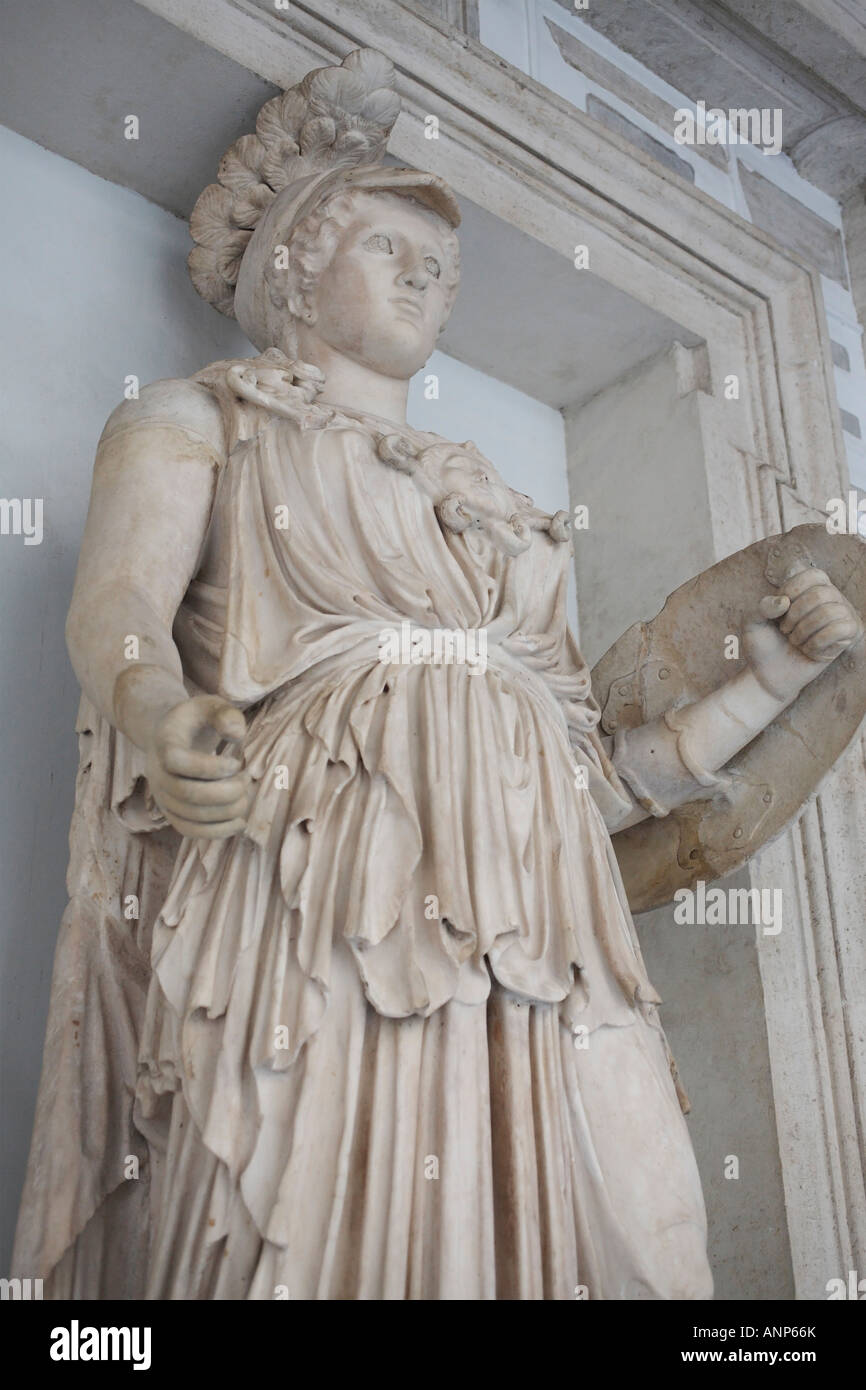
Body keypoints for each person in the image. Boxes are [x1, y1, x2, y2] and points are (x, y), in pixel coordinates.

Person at [13, 50, 861, 1300]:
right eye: (390, 248)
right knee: (348, 1237)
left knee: (653, 1233)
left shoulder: (504, 516)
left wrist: (766, 684)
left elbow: (589, 786)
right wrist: (158, 709)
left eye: (445, 269)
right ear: (295, 264)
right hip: (326, 880)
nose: (430, 279)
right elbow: (121, 605)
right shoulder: (202, 419)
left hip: (545, 921)